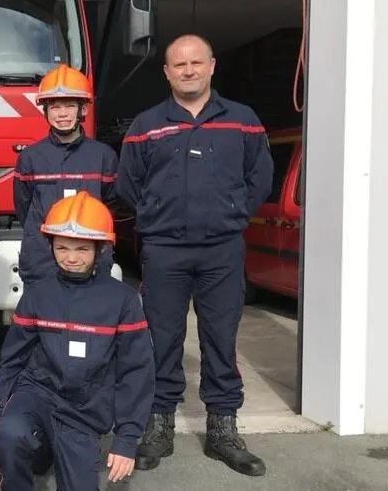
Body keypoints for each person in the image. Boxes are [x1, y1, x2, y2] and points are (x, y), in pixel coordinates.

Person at [116, 33, 273, 477]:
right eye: (179, 64)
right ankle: (158, 426)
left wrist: (231, 213)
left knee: (221, 340)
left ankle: (223, 431)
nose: (188, 70)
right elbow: (128, 185)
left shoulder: (242, 121)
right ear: (167, 72)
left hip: (222, 250)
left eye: (196, 62)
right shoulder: (146, 124)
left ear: (211, 66)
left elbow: (259, 178)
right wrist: (156, 215)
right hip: (164, 250)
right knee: (160, 340)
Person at [0, 191, 154, 490]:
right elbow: (12, 359)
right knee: (10, 435)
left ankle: (51, 447)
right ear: (50, 245)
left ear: (100, 248)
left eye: (82, 249)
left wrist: (126, 439)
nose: (71, 257)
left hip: (85, 408)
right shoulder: (37, 294)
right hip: (36, 394)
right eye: (62, 247)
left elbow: (136, 373)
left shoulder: (124, 301)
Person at [14, 64, 119, 288]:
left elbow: (110, 206)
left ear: (83, 110)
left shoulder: (104, 156)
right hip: (40, 261)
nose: (62, 114)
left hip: (93, 262)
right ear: (45, 111)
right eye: (55, 107)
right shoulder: (30, 157)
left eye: (70, 106)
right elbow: (23, 207)